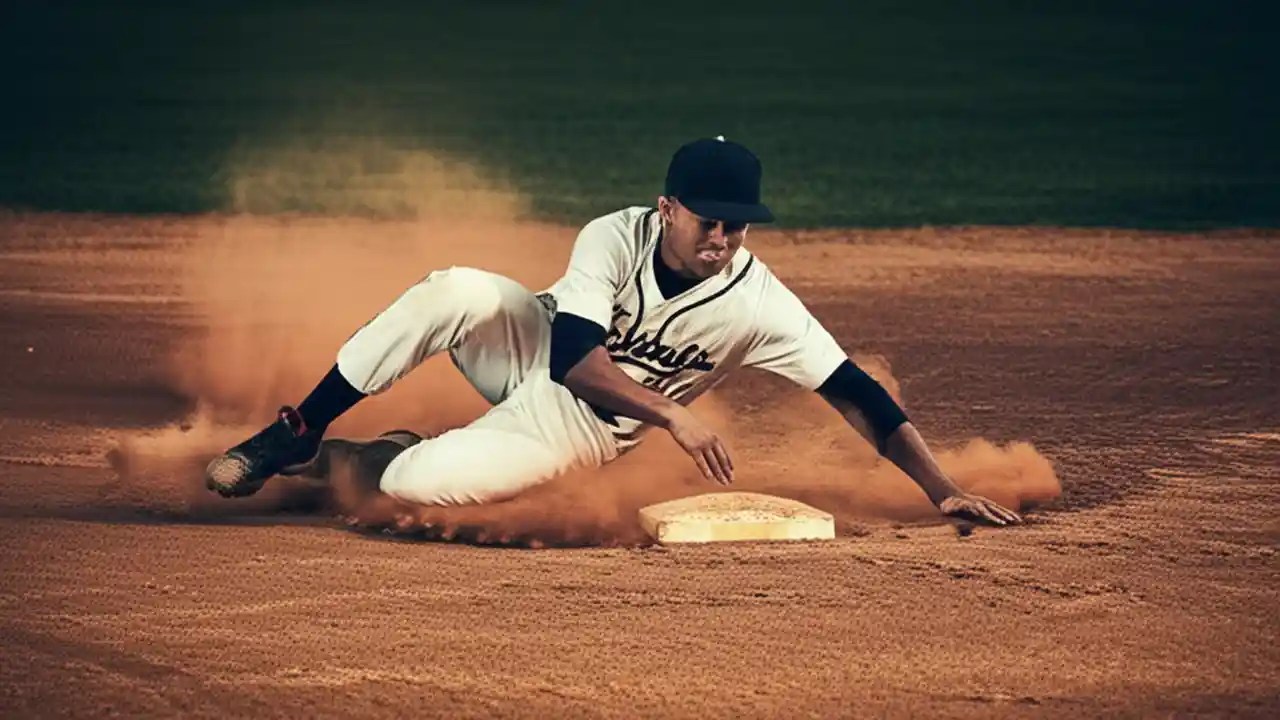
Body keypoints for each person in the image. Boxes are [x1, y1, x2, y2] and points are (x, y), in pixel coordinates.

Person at [204, 137, 1022, 527]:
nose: (725, 240)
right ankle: (300, 430)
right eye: (710, 221)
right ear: (666, 208)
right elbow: (568, 355)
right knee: (452, 290)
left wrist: (941, 487)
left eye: (739, 227)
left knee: (414, 486)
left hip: (584, 428)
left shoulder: (756, 301)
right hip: (538, 347)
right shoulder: (612, 235)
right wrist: (674, 412)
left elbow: (856, 394)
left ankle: (364, 458)